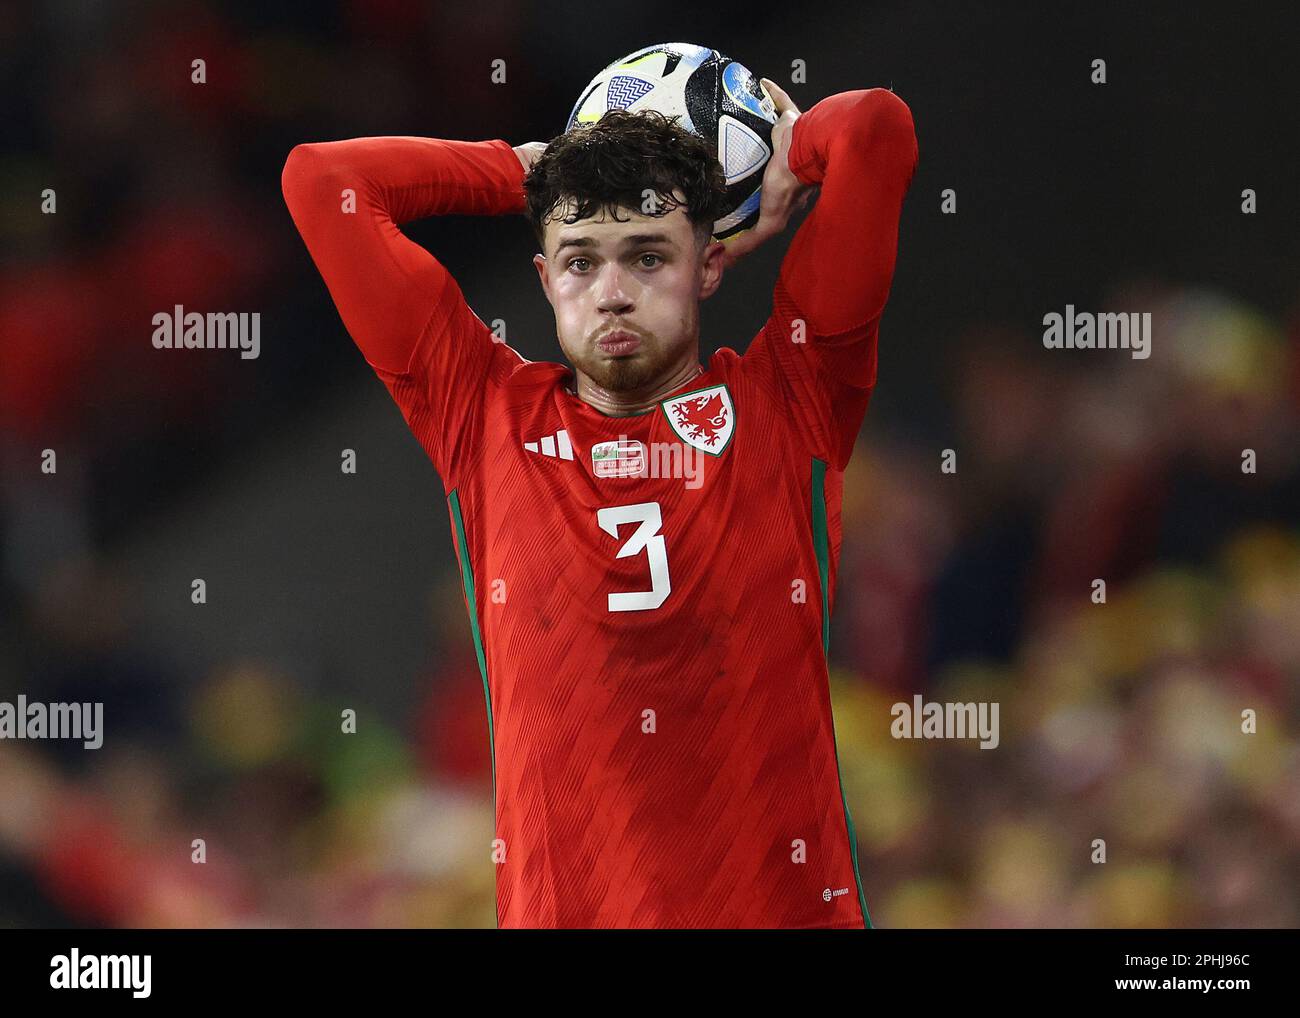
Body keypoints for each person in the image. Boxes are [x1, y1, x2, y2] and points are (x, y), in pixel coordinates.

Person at [281, 76, 917, 928]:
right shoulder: (480, 413)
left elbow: (875, 128)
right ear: (545, 280)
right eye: (581, 260)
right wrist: (531, 170)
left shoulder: (793, 397)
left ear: (710, 264)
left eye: (649, 256)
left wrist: (782, 157)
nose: (611, 291)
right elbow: (321, 181)